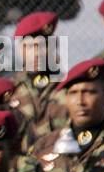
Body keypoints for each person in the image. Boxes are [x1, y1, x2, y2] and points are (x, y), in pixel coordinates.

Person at [7, 12, 66, 141]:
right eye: (28, 47)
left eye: (41, 46)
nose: (36, 54)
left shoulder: (67, 87)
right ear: (20, 50)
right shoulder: (10, 91)